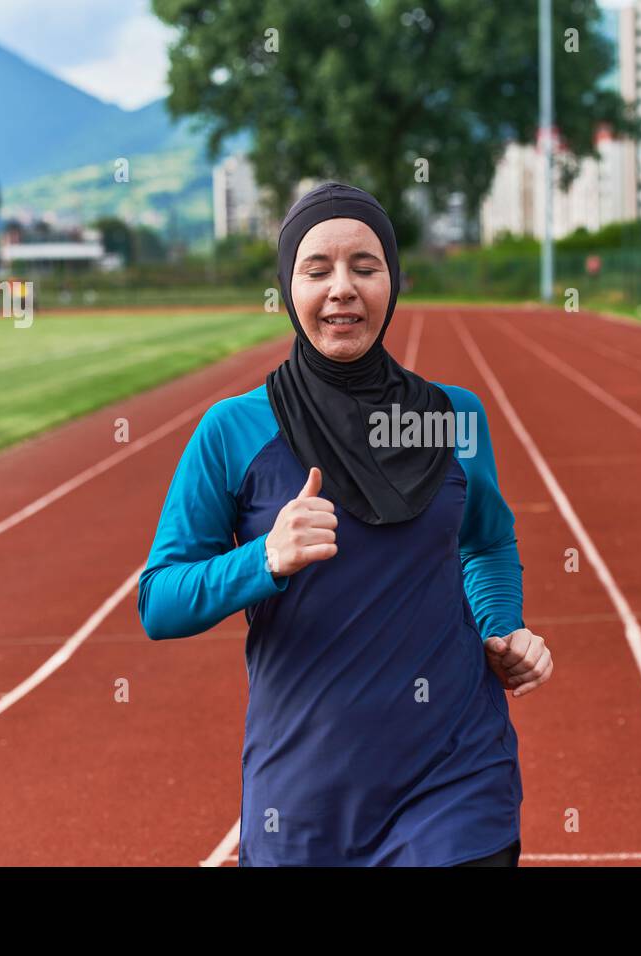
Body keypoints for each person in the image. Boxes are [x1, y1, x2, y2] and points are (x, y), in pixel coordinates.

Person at [138, 181, 553, 867]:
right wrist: (264, 560)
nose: (343, 289)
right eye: (317, 269)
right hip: (304, 796)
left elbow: (488, 540)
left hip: (455, 777)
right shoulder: (232, 430)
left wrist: (500, 625)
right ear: (287, 287)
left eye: (366, 266)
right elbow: (161, 602)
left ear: (393, 280)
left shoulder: (457, 417)